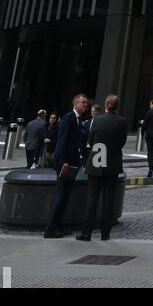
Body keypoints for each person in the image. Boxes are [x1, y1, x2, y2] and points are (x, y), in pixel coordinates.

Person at [76, 95, 128, 243]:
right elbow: (122, 142)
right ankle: (105, 233)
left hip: (96, 161)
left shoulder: (97, 119)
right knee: (109, 199)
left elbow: (91, 140)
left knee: (92, 199)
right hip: (111, 164)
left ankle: (86, 233)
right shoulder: (122, 121)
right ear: (117, 106)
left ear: (106, 104)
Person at [44, 93, 89, 238]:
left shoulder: (77, 119)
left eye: (86, 103)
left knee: (65, 196)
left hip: (72, 163)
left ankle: (58, 225)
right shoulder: (68, 118)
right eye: (83, 103)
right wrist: (63, 162)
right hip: (65, 163)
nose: (85, 105)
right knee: (61, 195)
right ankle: (50, 229)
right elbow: (62, 141)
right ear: (75, 103)